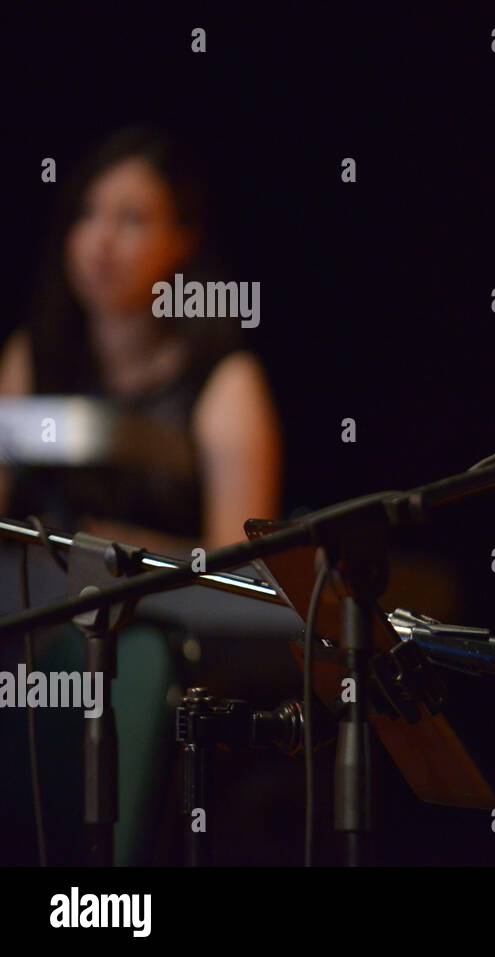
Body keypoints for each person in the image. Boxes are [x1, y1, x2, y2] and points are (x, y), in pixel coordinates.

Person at [0, 127, 282, 865]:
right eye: (88, 214)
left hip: (158, 641)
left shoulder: (225, 381)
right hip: (33, 617)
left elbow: (239, 573)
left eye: (132, 219)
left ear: (184, 241)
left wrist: (109, 549)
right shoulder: (34, 353)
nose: (100, 240)